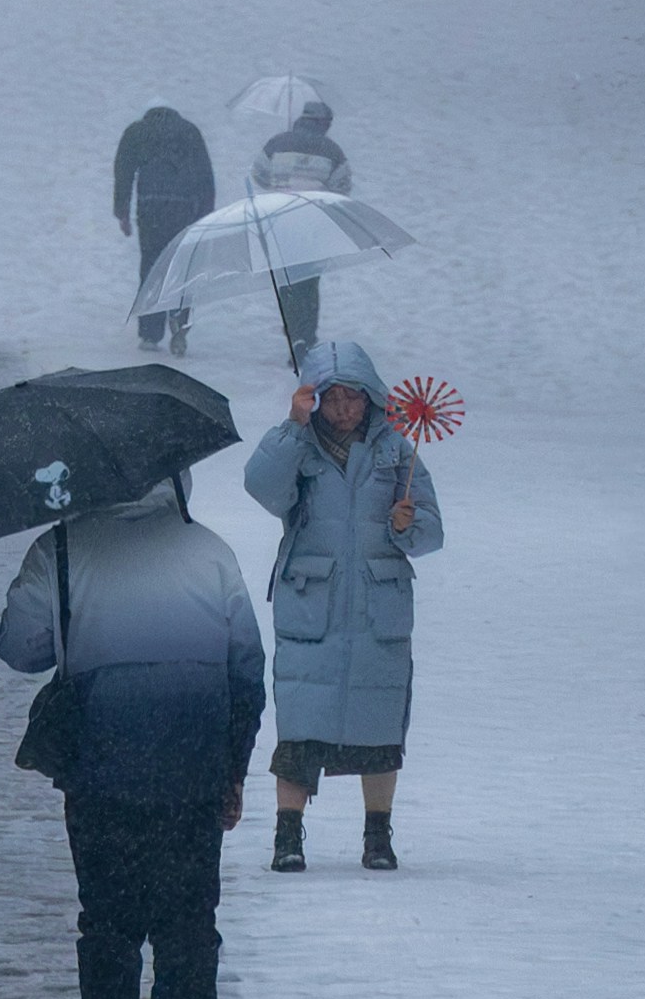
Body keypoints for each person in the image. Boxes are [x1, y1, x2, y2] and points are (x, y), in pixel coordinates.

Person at [0, 476, 268, 999]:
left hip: (102, 754)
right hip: (191, 752)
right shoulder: (208, 549)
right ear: (174, 476)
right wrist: (232, 768)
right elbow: (246, 670)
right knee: (187, 916)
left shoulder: (59, 547)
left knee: (109, 923)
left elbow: (17, 648)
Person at [242, 337, 444, 875]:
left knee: (379, 729)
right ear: (314, 398)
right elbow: (261, 489)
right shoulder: (296, 445)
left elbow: (431, 532)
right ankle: (288, 836)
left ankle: (378, 836)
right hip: (313, 604)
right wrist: (291, 425)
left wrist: (408, 525)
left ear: (372, 397)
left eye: (353, 398)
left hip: (378, 607)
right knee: (300, 725)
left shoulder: (398, 450)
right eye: (332, 399)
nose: (343, 410)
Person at [108, 105, 216, 356]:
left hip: (151, 207)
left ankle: (149, 333)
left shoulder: (137, 132)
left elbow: (123, 171)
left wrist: (122, 211)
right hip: (184, 208)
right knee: (183, 268)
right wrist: (206, 216)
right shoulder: (190, 132)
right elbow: (205, 175)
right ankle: (179, 327)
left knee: (152, 267)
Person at [253, 100, 351, 367]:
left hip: (279, 221)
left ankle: (293, 334)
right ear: (322, 123)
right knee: (308, 281)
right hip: (312, 224)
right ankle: (306, 337)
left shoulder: (276, 143)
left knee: (286, 281)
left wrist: (281, 178)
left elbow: (258, 176)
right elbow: (342, 187)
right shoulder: (332, 151)